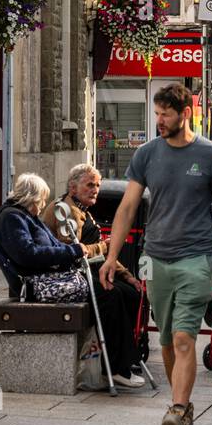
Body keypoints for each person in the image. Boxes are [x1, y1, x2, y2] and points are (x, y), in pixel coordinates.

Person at [101, 83, 212, 425]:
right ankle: (182, 408)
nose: (159, 120)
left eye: (166, 114)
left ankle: (177, 409)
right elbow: (127, 207)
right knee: (166, 340)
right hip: (155, 257)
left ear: (185, 114)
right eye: (157, 114)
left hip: (196, 256)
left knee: (185, 338)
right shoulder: (147, 155)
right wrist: (112, 256)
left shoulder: (211, 156)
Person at [42, 163, 145, 388]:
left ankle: (125, 357)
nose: (95, 189)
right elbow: (73, 251)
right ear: (73, 187)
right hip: (68, 278)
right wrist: (102, 247)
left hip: (87, 272)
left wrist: (127, 275)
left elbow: (105, 253)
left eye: (97, 185)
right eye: (89, 185)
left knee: (131, 292)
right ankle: (116, 368)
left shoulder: (83, 210)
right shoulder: (65, 210)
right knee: (111, 294)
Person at [0, 172, 86, 297]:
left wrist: (74, 253)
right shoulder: (11, 218)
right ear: (33, 198)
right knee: (105, 292)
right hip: (36, 283)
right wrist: (72, 251)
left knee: (107, 286)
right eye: (43, 199)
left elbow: (55, 244)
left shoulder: (27, 216)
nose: (43, 204)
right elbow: (28, 254)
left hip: (47, 277)